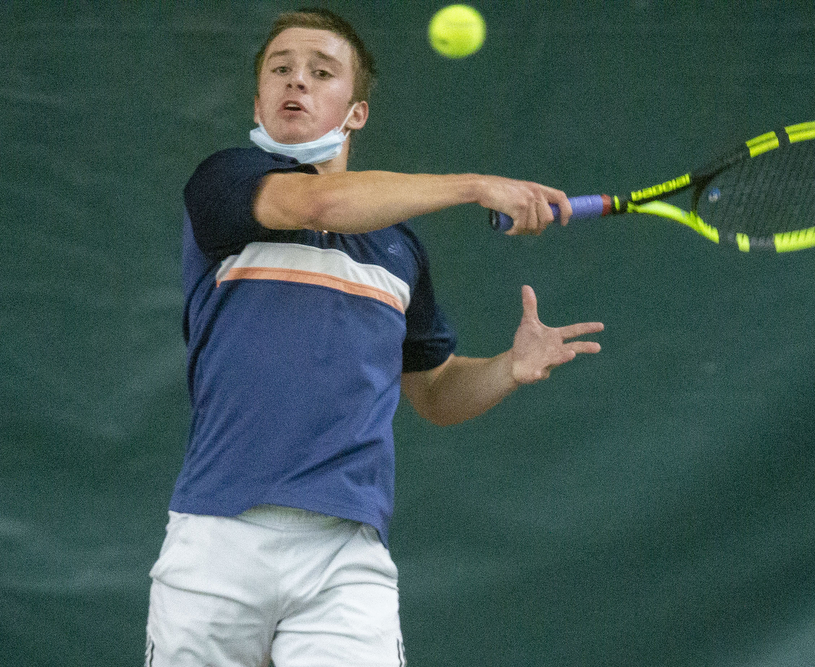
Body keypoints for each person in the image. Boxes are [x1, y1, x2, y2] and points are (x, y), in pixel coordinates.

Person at [145, 8, 603, 667]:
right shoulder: (224, 185)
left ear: (355, 112)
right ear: (259, 98)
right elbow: (319, 203)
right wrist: (475, 185)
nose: (296, 81)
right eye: (281, 69)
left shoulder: (398, 251)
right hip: (215, 538)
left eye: (321, 71)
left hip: (344, 557)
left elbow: (436, 392)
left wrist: (509, 366)